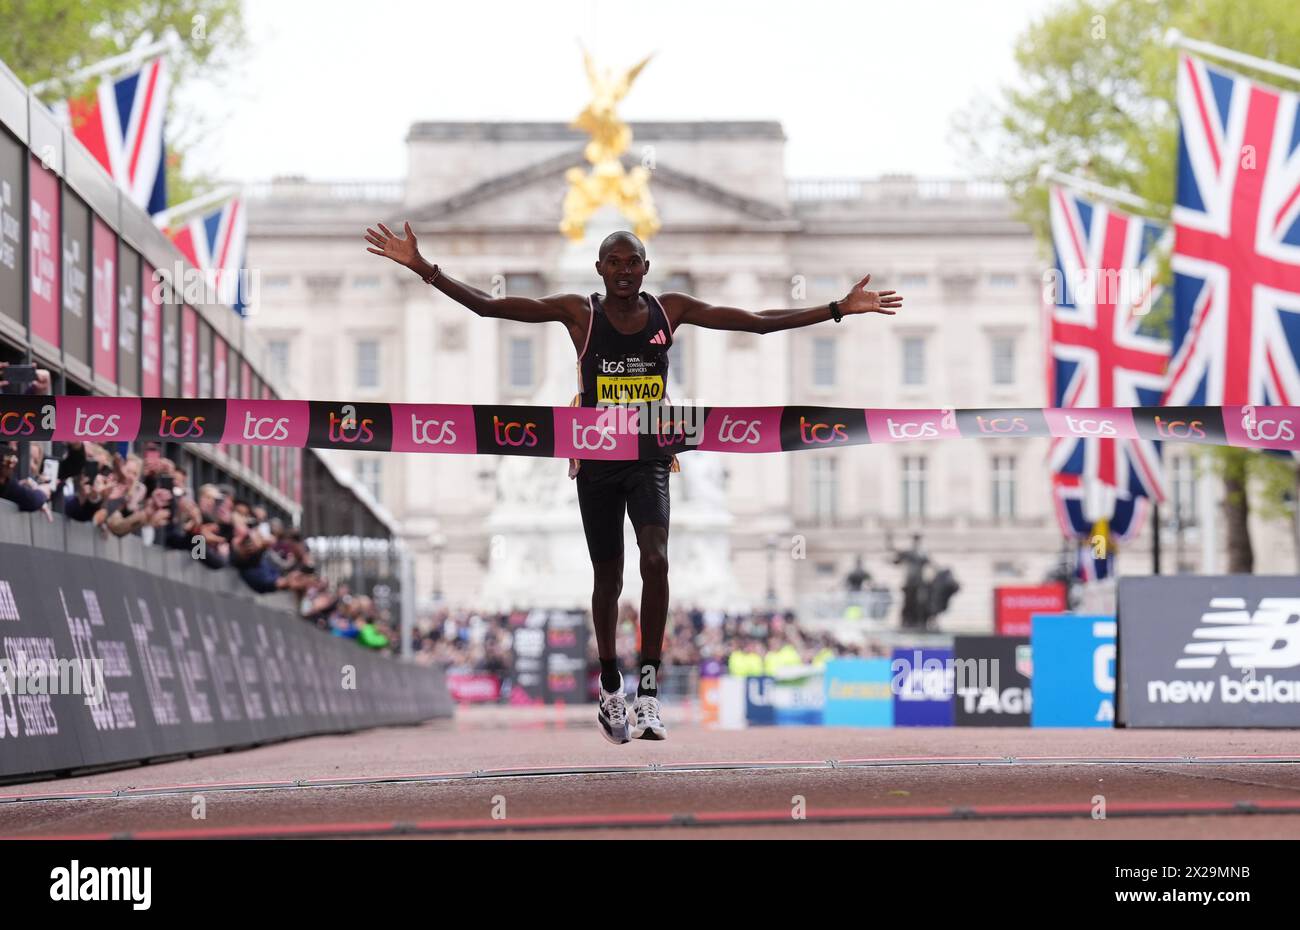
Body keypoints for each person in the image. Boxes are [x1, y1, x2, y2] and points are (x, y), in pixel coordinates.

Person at [364, 221, 902, 743]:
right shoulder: (580, 312)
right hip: (595, 458)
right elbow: (489, 306)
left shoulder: (673, 310)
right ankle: (610, 683)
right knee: (608, 576)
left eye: (633, 263)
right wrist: (421, 267)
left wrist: (837, 309)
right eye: (614, 263)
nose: (624, 271)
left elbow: (757, 321)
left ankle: (648, 688)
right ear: (600, 269)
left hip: (649, 453)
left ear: (646, 268)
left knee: (657, 558)